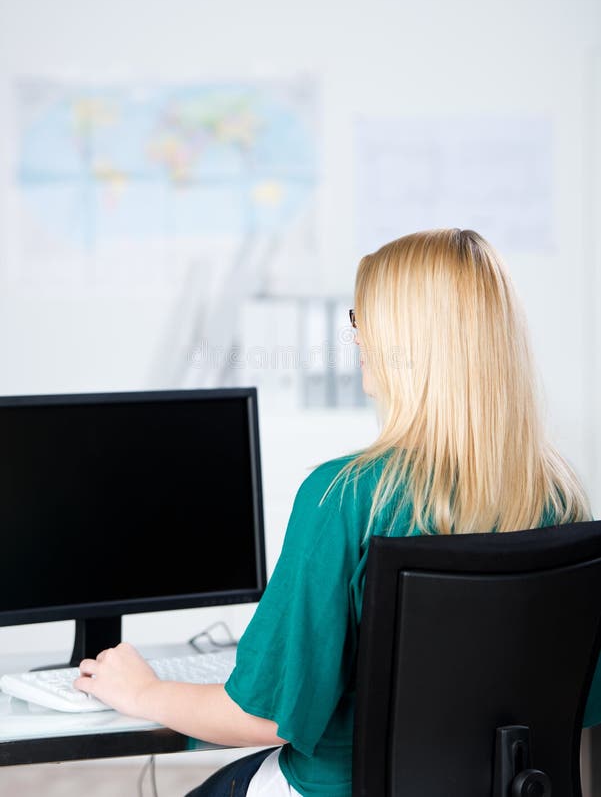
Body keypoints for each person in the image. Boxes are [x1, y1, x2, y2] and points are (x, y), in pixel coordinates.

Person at [74, 228, 601, 796]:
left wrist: (143, 691)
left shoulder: (345, 496)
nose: (355, 338)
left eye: (362, 319)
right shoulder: (557, 494)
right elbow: (574, 709)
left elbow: (261, 717)